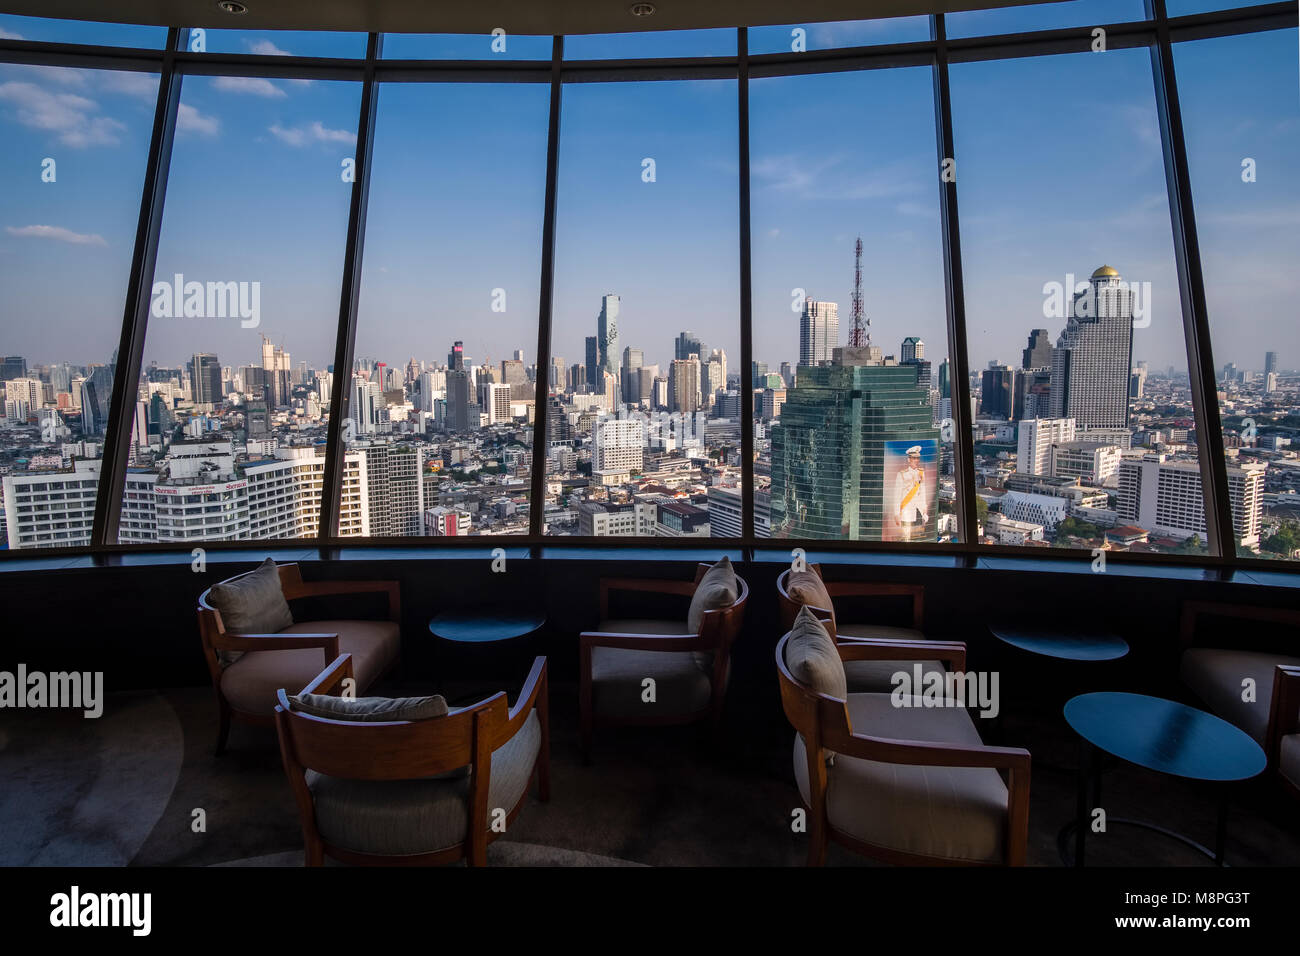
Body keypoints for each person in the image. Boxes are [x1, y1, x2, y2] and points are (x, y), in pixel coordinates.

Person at [893, 445, 928, 542]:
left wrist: (924, 507)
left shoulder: (921, 473)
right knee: (906, 539)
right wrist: (896, 513)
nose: (916, 460)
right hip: (906, 512)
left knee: (917, 538)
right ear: (909, 459)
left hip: (919, 510)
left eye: (918, 458)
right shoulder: (902, 474)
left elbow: (923, 491)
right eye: (914, 458)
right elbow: (897, 496)